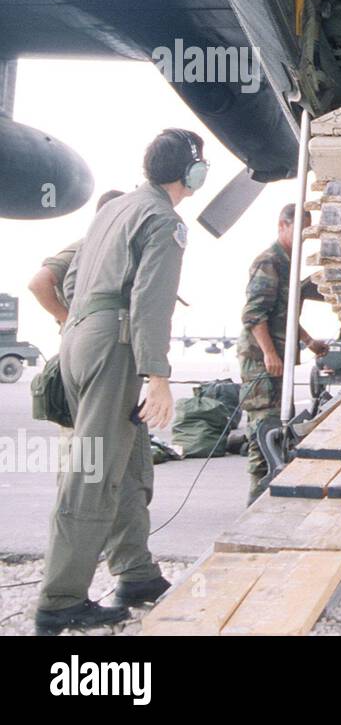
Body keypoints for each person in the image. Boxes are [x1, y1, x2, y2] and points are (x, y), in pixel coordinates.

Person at [35, 129, 207, 635]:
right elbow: (151, 301)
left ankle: (135, 576)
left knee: (126, 464)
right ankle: (60, 601)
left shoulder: (115, 209)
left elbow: (68, 283)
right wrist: (157, 375)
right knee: (93, 471)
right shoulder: (163, 219)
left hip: (82, 339)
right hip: (115, 346)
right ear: (192, 173)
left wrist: (85, 328)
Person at [238, 203, 327, 504]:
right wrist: (269, 354)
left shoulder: (287, 263)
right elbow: (253, 315)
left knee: (278, 428)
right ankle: (255, 499)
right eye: (299, 231)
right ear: (282, 225)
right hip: (262, 362)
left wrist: (309, 342)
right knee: (264, 430)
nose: (303, 238)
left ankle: (267, 497)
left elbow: (286, 316)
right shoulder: (270, 262)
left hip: (277, 359)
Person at [28, 189, 125, 327]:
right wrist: (69, 321)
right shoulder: (86, 247)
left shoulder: (116, 250)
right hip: (87, 337)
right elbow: (38, 284)